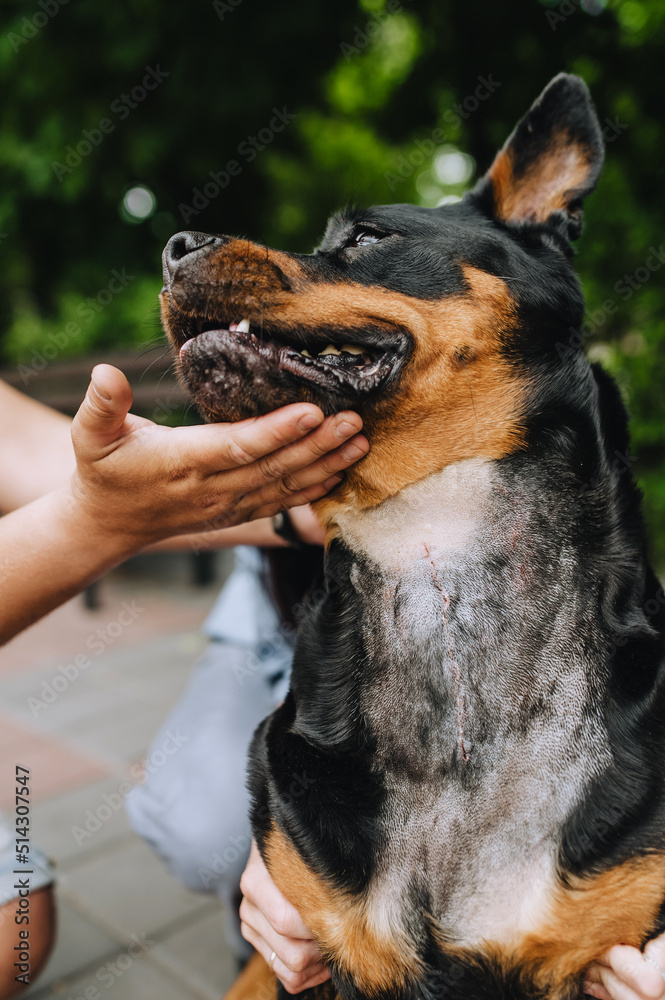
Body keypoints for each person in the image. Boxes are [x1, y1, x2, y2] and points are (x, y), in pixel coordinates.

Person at [0, 362, 368, 998]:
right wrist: (97, 519)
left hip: (319, 583)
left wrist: (281, 515)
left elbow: (26, 451)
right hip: (283, 612)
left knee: (18, 932)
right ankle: (251, 937)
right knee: (206, 833)